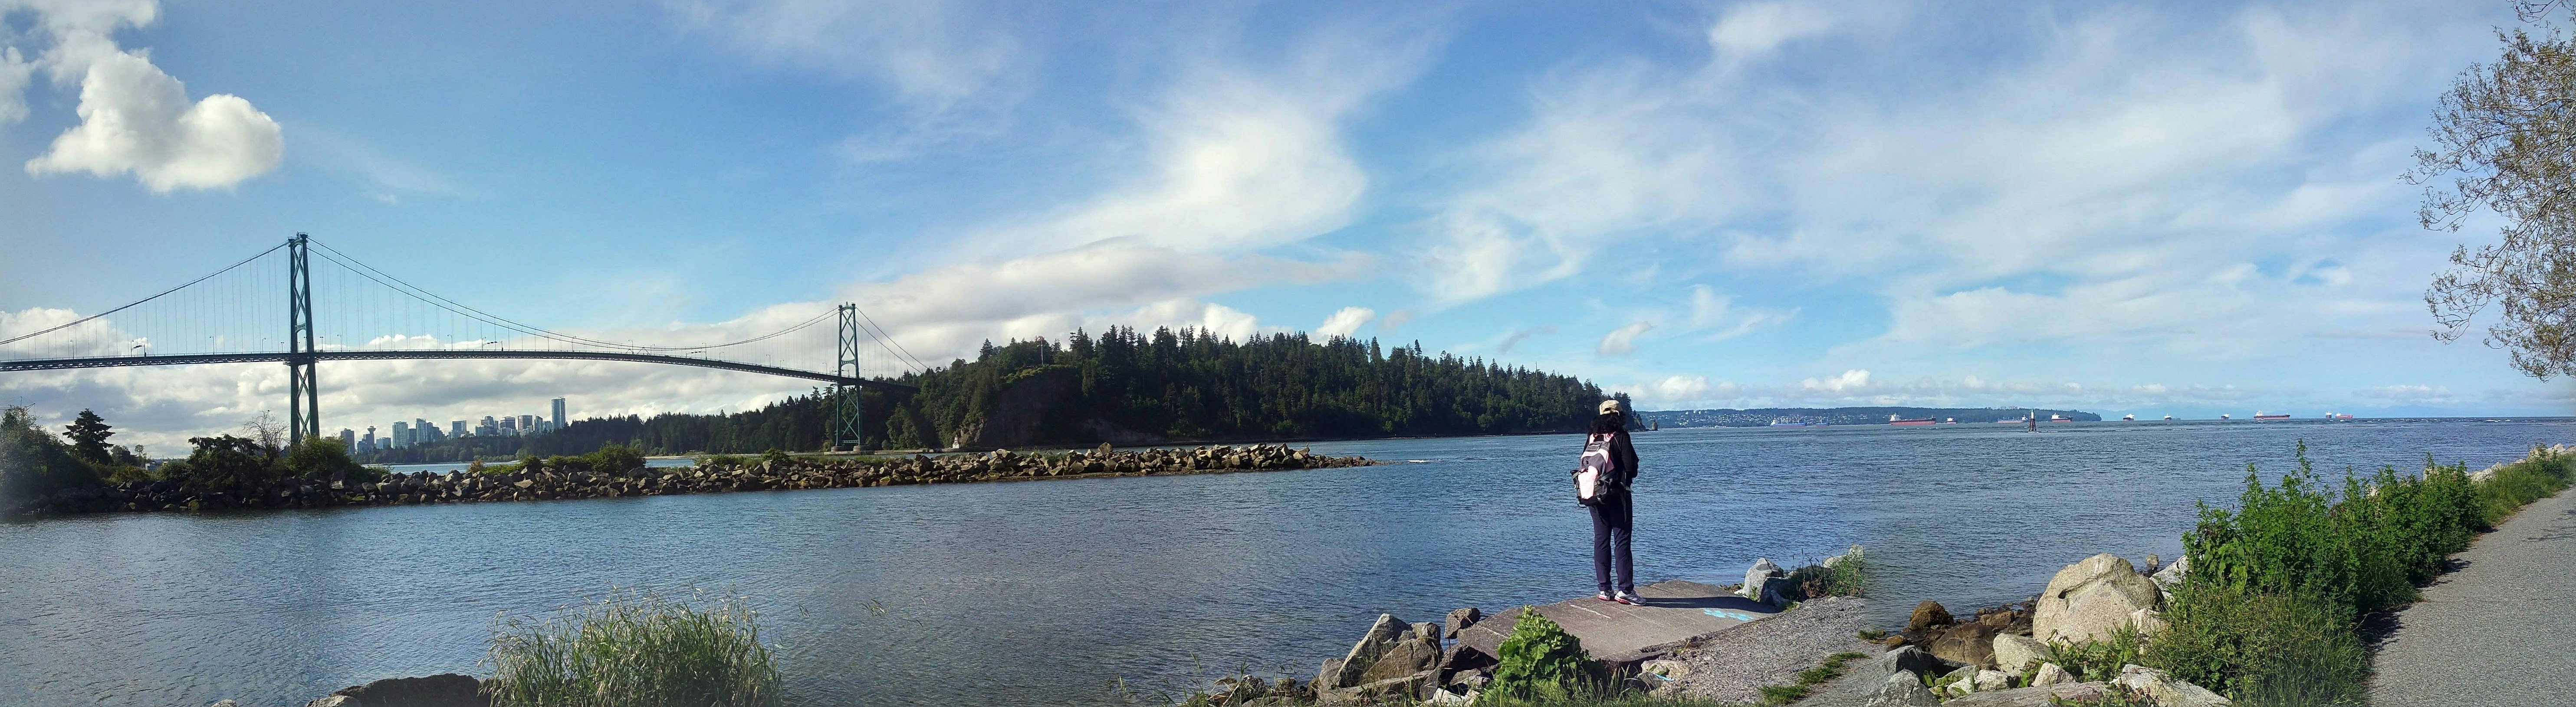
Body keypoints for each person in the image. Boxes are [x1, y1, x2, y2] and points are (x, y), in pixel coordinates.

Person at [1584, 398, 1642, 605]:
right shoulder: (1621, 436)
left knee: (1601, 540)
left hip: (1595, 495)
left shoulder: (1593, 437)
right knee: (1622, 541)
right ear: (1620, 416)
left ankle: (1604, 589)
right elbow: (1631, 468)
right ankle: (1625, 590)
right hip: (1618, 495)